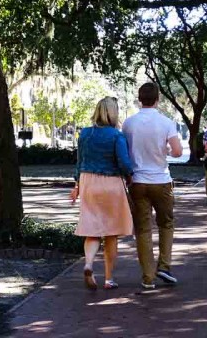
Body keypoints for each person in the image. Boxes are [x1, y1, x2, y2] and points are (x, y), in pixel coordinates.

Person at [122, 83, 183, 289]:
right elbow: (177, 152)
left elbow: (124, 151)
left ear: (140, 99)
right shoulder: (166, 122)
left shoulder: (128, 123)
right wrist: (164, 149)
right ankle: (164, 266)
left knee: (143, 229)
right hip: (161, 180)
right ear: (158, 99)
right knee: (166, 224)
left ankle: (148, 277)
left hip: (137, 181)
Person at [70, 97, 134, 291]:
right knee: (111, 232)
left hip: (87, 182)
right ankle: (108, 278)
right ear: (114, 113)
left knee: (92, 229)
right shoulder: (116, 135)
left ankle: (89, 264)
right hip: (111, 183)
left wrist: (76, 185)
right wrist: (129, 175)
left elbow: (79, 162)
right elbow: (123, 162)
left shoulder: (85, 134)